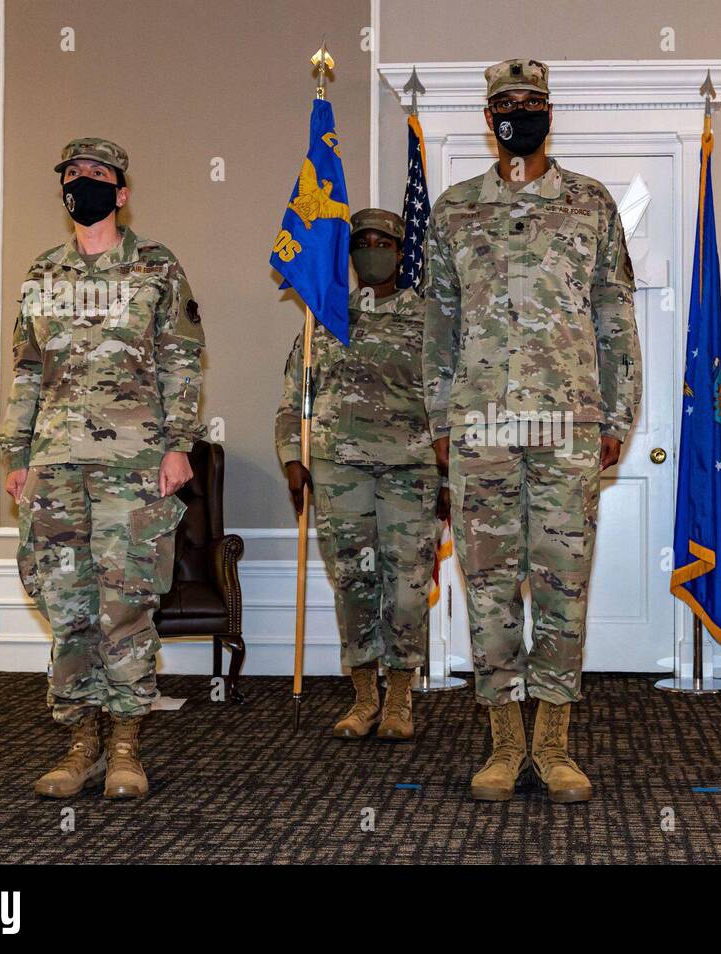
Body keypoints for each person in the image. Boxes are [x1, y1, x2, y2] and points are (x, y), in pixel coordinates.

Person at [424, 59, 641, 803]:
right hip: (479, 424)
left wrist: (618, 413)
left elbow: (615, 315)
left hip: (568, 426)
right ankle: (502, 743)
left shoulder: (590, 204)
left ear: (551, 112)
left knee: (561, 586)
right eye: (506, 104)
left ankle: (554, 745)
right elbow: (439, 328)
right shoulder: (453, 210)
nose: (520, 112)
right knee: (486, 587)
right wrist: (439, 422)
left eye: (533, 102)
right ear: (490, 119)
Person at [0, 138, 206, 799]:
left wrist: (179, 445)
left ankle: (124, 744)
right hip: (56, 464)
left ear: (120, 192)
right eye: (71, 173)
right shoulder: (42, 274)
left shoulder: (155, 267)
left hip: (134, 464)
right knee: (67, 604)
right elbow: (28, 371)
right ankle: (79, 740)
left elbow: (182, 360)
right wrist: (15, 453)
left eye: (96, 174)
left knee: (127, 601)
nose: (81, 182)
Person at [276, 208, 446, 741]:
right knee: (352, 580)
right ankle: (363, 695)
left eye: (382, 242)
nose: (371, 250)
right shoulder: (325, 315)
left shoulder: (429, 320)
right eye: (362, 242)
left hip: (411, 470)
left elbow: (448, 404)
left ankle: (400, 696)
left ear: (400, 252)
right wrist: (291, 457)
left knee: (408, 585)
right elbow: (293, 398)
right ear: (350, 255)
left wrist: (450, 475)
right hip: (338, 467)